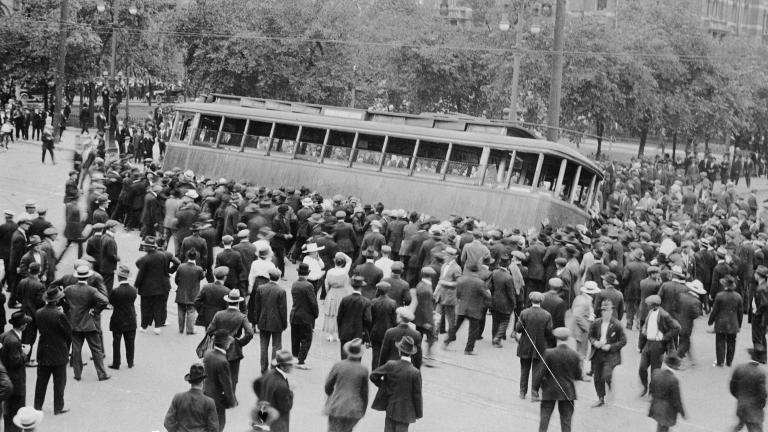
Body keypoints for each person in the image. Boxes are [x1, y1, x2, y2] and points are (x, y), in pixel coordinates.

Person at [63, 266, 110, 381]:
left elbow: (60, 298)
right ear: (88, 277)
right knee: (96, 349)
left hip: (74, 323)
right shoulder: (91, 290)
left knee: (76, 349)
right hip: (89, 323)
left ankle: (77, 374)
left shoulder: (69, 289)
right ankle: (102, 374)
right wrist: (95, 310)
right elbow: (104, 300)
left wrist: (67, 308)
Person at [370, 336, 423, 432]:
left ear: (399, 351)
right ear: (411, 354)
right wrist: (418, 413)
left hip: (391, 407)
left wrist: (384, 386)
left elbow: (373, 376)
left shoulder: (391, 365)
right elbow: (417, 395)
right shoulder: (415, 372)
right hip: (406, 413)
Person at [33, 288, 71, 415]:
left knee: (41, 382)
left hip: (43, 350)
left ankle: (37, 406)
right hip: (59, 351)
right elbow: (68, 333)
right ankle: (58, 407)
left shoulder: (38, 312)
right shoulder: (59, 314)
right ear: (57, 300)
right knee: (59, 382)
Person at [206, 289, 254, 390]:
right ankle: (230, 394)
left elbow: (209, 330)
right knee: (233, 376)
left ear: (228, 302)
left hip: (219, 347)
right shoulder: (242, 316)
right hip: (234, 350)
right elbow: (250, 332)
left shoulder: (219, 314)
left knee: (217, 373)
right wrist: (240, 342)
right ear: (238, 303)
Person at [538, 327, 582, 432]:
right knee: (566, 421)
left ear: (556, 338)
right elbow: (578, 375)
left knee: (545, 417)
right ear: (568, 338)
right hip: (568, 392)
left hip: (550, 390)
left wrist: (535, 389)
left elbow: (540, 373)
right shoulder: (575, 355)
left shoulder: (548, 353)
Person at [324, 338, 369, 432]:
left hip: (337, 406)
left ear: (348, 352)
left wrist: (331, 396)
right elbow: (364, 393)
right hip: (353, 408)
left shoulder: (338, 365)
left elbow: (328, 386)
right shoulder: (363, 370)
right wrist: (363, 409)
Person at [588, 300, 627, 407]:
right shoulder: (596, 323)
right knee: (597, 377)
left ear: (611, 311)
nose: (605, 313)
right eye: (603, 310)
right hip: (598, 353)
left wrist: (610, 346)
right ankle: (600, 398)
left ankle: (609, 383)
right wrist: (595, 342)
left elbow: (624, 341)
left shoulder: (617, 324)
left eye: (607, 310)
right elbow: (590, 336)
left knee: (606, 375)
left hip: (610, 355)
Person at [639, 295, 680, 396]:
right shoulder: (650, 312)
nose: (647, 306)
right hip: (648, 343)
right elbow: (645, 325)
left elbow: (676, 327)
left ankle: (652, 391)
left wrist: (664, 338)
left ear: (654, 305)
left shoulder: (664, 315)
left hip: (658, 345)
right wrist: (644, 331)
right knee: (642, 368)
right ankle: (645, 386)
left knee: (655, 371)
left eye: (648, 305)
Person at [516, 292, 554, 401]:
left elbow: (518, 329)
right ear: (541, 301)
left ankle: (522, 393)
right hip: (540, 347)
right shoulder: (547, 315)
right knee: (537, 371)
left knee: (524, 370)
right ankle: (534, 394)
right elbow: (549, 333)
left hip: (525, 346)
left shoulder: (524, 313)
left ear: (531, 300)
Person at [135, 236, 176, 334]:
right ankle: (157, 327)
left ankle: (144, 326)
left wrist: (136, 285)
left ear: (148, 247)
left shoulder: (144, 259)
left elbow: (140, 274)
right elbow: (166, 270)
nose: (144, 247)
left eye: (145, 246)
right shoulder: (162, 256)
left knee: (145, 307)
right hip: (161, 286)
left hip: (147, 287)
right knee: (158, 307)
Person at [447, 264, 491, 356]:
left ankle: (447, 341)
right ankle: (468, 349)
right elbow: (486, 295)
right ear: (478, 271)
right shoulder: (480, 283)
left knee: (456, 326)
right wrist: (488, 296)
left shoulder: (462, 280)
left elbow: (458, 293)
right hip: (475, 309)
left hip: (462, 307)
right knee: (473, 330)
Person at [250, 268, 288, 374]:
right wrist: (284, 323)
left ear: (269, 277)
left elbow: (257, 307)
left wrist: (256, 321)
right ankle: (274, 368)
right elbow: (283, 310)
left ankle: (263, 368)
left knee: (263, 346)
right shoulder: (281, 291)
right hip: (277, 323)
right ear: (278, 278)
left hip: (263, 321)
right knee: (276, 346)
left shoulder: (260, 288)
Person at [164, 363, 219, 432]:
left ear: (190, 381)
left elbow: (168, 422)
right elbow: (214, 428)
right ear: (203, 381)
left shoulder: (178, 398)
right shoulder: (209, 402)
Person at [1, 311, 32, 432]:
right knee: (17, 412)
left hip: (7, 378)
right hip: (16, 381)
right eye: (25, 323)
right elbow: (15, 362)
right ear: (22, 326)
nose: (26, 325)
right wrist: (25, 353)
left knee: (8, 412)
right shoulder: (14, 341)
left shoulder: (5, 335)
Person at [252, 350, 295, 432]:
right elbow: (286, 407)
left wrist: (262, 397)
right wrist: (290, 392)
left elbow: (256, 383)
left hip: (263, 416)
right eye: (290, 365)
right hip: (277, 423)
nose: (292, 366)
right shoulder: (281, 385)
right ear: (282, 367)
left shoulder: (269, 373)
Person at [203, 330, 237, 432]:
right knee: (219, 424)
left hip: (206, 393)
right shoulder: (223, 361)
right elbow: (226, 384)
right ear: (225, 344)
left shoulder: (208, 353)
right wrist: (231, 401)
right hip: (217, 398)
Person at [709, 275, 744, 367]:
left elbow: (715, 310)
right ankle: (729, 362)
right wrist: (739, 324)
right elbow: (740, 312)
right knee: (731, 342)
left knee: (720, 341)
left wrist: (710, 321)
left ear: (725, 285)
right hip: (733, 323)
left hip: (721, 322)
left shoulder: (719, 296)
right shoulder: (738, 296)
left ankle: (720, 361)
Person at [730, 348, 767, 432]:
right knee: (755, 429)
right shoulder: (760, 373)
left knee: (740, 424)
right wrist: (761, 405)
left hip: (741, 406)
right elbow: (763, 394)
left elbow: (732, 387)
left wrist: (741, 397)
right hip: (753, 410)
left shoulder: (740, 368)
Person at [290, 263, 318, 370]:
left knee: (295, 338)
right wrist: (315, 314)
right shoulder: (309, 286)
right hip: (305, 317)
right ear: (307, 274)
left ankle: (295, 357)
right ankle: (301, 361)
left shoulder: (294, 284)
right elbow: (313, 302)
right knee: (306, 339)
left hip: (294, 314)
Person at [108, 265, 137, 369]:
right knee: (130, 342)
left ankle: (116, 363)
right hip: (131, 318)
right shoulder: (133, 290)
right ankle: (130, 362)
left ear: (119, 277)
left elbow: (111, 302)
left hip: (118, 319)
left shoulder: (115, 291)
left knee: (116, 342)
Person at [337, 276, 373, 360]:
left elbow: (339, 317)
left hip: (345, 332)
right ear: (361, 288)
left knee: (344, 356)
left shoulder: (345, 299)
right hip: (359, 333)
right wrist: (367, 334)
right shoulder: (366, 301)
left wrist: (340, 331)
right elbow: (368, 320)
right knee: (356, 357)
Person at [648, 355, 686, 432]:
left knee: (660, 425)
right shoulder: (673, 380)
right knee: (664, 427)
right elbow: (676, 400)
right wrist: (682, 413)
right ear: (675, 366)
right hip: (667, 410)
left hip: (656, 405)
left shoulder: (656, 372)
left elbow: (652, 388)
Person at [324, 252, 353, 341]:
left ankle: (330, 334)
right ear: (343, 262)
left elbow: (326, 284)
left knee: (331, 314)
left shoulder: (330, 271)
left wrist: (328, 292)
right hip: (342, 293)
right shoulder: (345, 271)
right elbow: (350, 260)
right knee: (340, 314)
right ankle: (338, 333)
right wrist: (342, 254)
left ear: (334, 261)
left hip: (332, 292)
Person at [175, 250, 205, 335]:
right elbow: (201, 277)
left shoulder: (181, 266)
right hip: (193, 293)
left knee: (181, 310)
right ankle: (190, 330)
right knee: (191, 311)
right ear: (196, 257)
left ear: (187, 256)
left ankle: (181, 328)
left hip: (181, 292)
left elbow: (176, 279)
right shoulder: (199, 269)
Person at [370, 282, 397, 370]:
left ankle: (374, 372)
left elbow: (371, 319)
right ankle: (385, 372)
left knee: (375, 354)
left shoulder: (374, 302)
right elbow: (394, 320)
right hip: (388, 332)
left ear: (378, 290)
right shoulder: (392, 303)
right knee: (387, 354)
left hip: (375, 331)